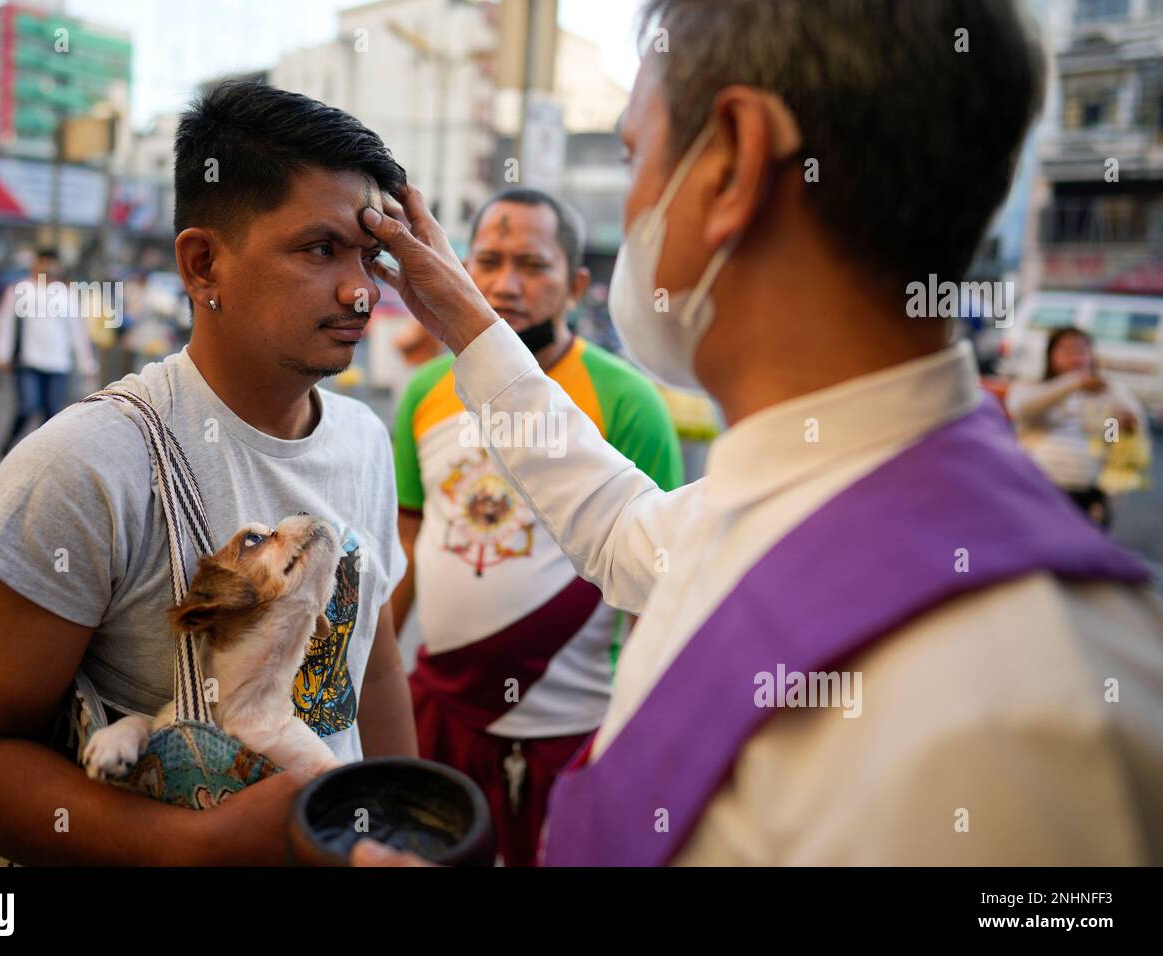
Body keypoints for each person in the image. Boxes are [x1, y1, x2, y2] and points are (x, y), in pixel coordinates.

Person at [348, 0, 1163, 865]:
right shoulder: (790, 489)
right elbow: (623, 531)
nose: (629, 205)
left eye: (634, 154)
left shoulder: (1025, 712)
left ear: (731, 161)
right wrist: (474, 331)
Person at [0, 80, 417, 865]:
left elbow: (373, 668)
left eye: (370, 255)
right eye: (319, 250)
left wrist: (403, 824)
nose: (361, 290)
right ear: (202, 262)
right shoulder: (86, 465)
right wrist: (195, 845)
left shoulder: (365, 439)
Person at [391, 187, 683, 866]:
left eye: (534, 265)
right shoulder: (422, 391)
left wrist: (640, 738)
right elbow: (407, 545)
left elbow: (657, 582)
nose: (506, 284)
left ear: (577, 283)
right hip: (441, 717)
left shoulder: (628, 399)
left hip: (574, 730)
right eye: (488, 261)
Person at [1006, 326, 1147, 528]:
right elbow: (1023, 411)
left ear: (1091, 355)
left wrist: (1120, 426)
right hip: (1035, 489)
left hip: (1087, 495)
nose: (1075, 357)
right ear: (1050, 356)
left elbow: (1110, 441)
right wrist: (1072, 383)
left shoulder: (1109, 394)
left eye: (1081, 350)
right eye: (1065, 351)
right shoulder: (1034, 387)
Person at [0, 248, 99, 458]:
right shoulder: (21, 289)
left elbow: (77, 331)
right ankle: (8, 446)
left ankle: (42, 455)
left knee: (51, 414)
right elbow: (6, 323)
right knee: (27, 407)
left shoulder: (66, 294)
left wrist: (87, 363)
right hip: (28, 361)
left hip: (58, 364)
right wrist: (1, 353)